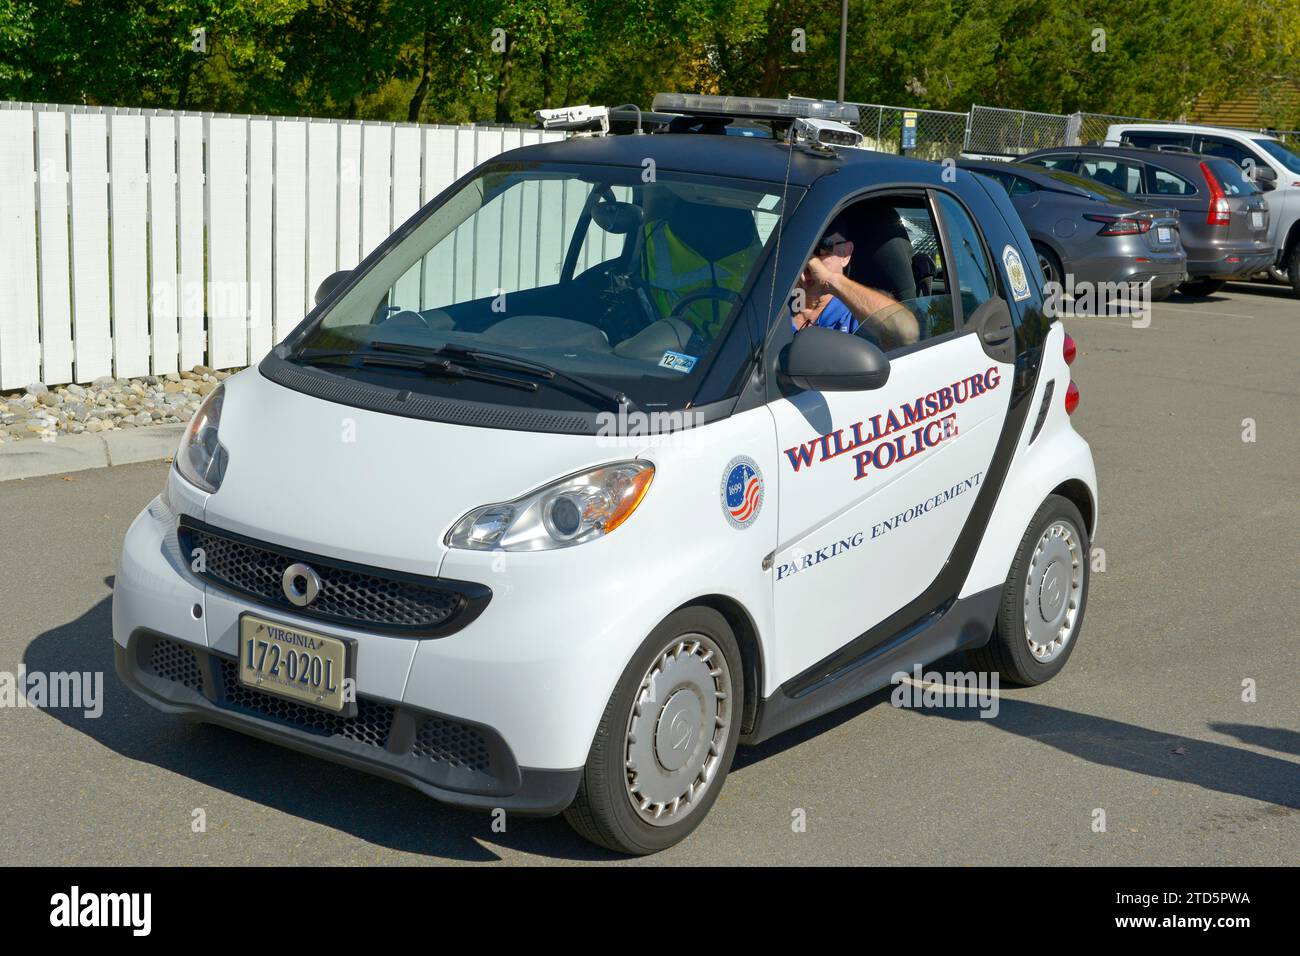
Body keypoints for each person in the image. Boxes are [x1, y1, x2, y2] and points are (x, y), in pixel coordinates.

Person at [792, 212, 920, 350]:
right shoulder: (778, 300)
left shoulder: (860, 308)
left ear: (845, 254)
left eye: (823, 248)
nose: (809, 260)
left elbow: (907, 333)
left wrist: (830, 280)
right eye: (801, 250)